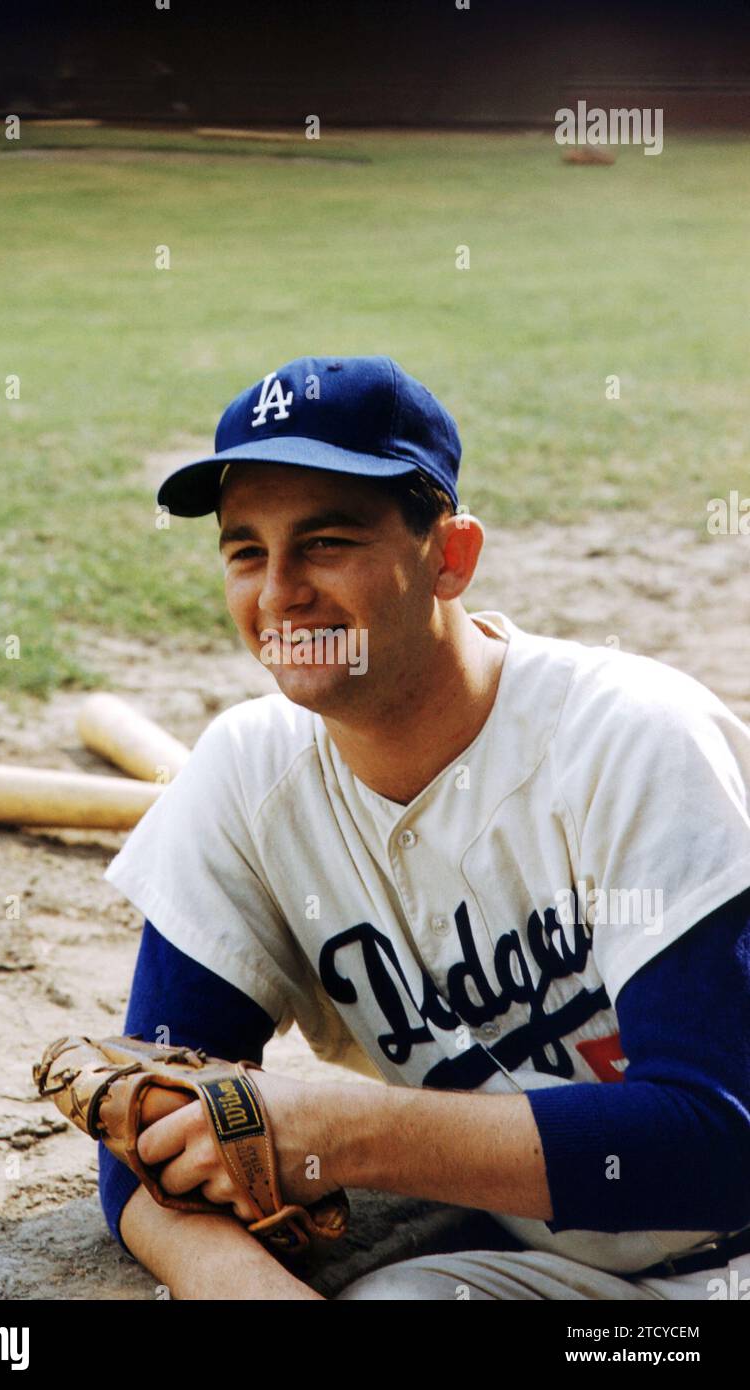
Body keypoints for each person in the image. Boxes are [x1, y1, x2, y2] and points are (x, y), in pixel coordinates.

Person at [99, 355, 750, 1300]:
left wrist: (336, 1133)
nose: (278, 592)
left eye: (326, 542)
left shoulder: (633, 738)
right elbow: (142, 1137)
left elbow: (722, 1144)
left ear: (450, 557)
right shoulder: (245, 776)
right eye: (245, 552)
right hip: (556, 1276)